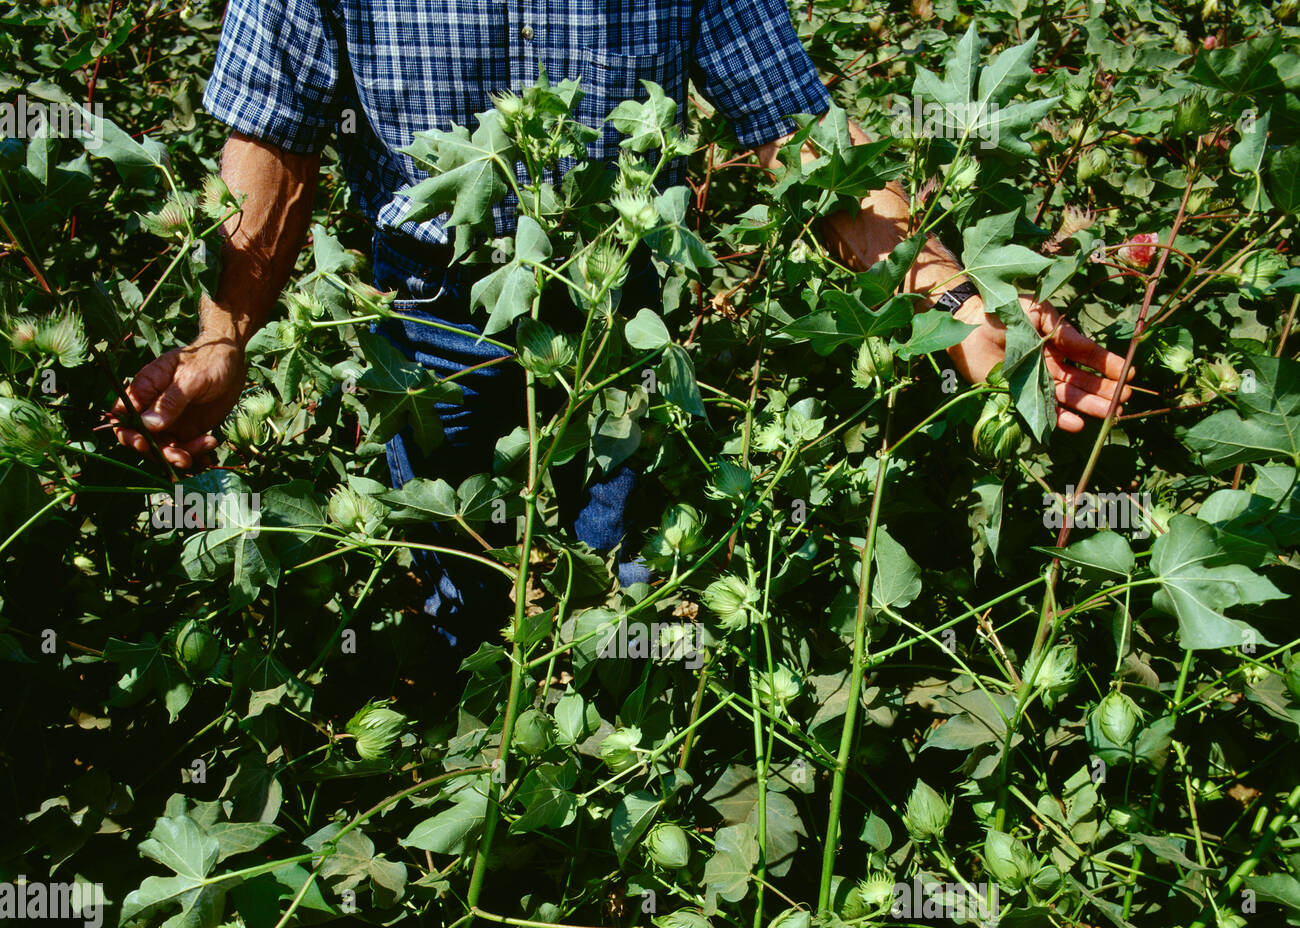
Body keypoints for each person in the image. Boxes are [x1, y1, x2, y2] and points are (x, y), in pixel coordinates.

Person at [112, 1, 1131, 651]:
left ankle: (606, 770)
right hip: (428, 299)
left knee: (623, 564)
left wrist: (958, 304)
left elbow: (795, 130)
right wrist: (220, 344)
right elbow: (278, 135)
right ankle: (454, 729)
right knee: (445, 547)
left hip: (623, 298)